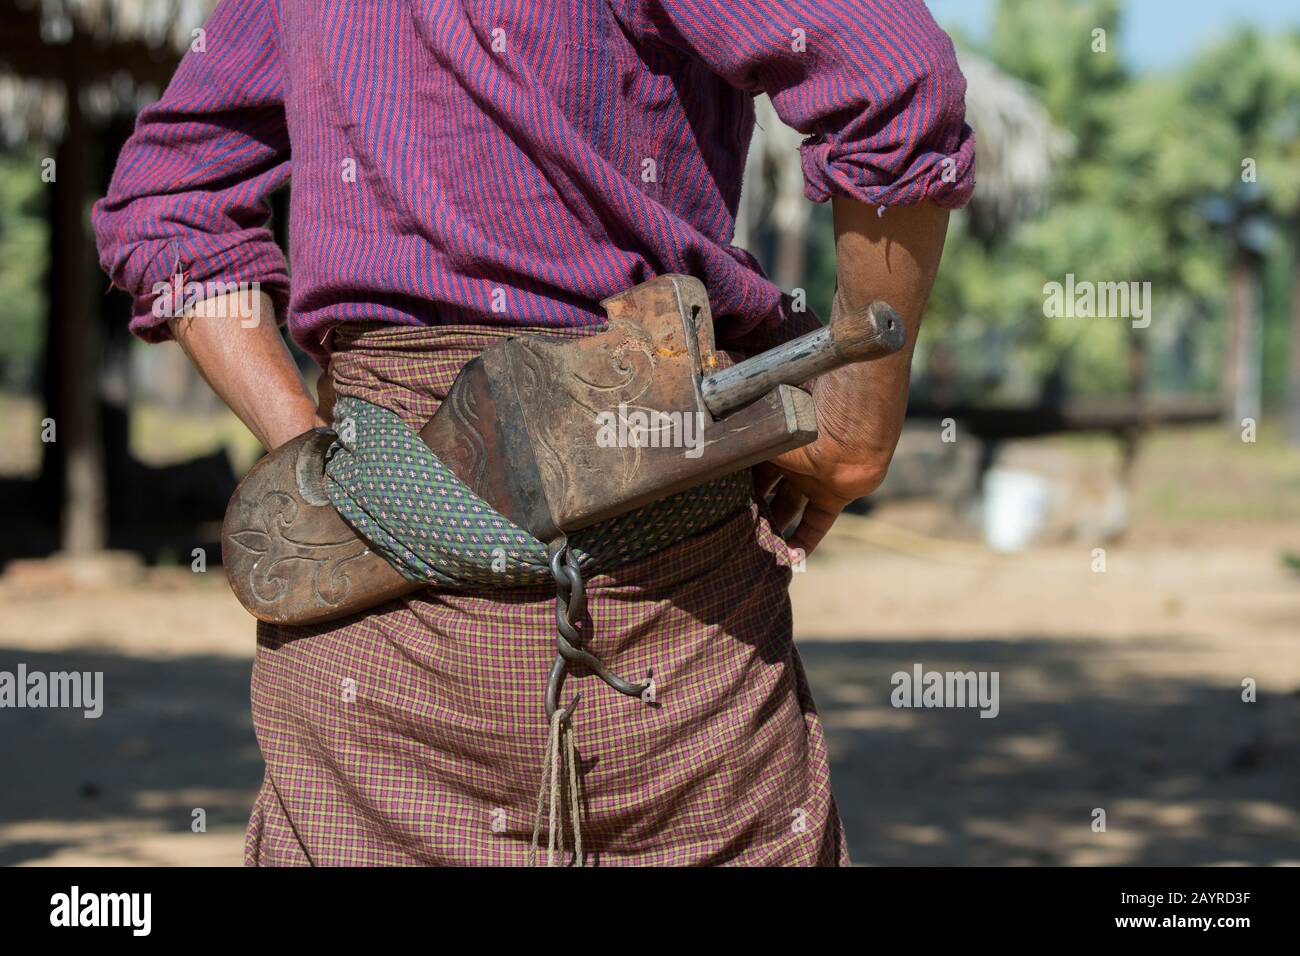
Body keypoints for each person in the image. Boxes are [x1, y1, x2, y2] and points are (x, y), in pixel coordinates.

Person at [94, 0, 974, 866]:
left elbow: (168, 201)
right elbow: (893, 70)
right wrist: (860, 418)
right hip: (665, 638)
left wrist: (333, 471)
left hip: (387, 640)